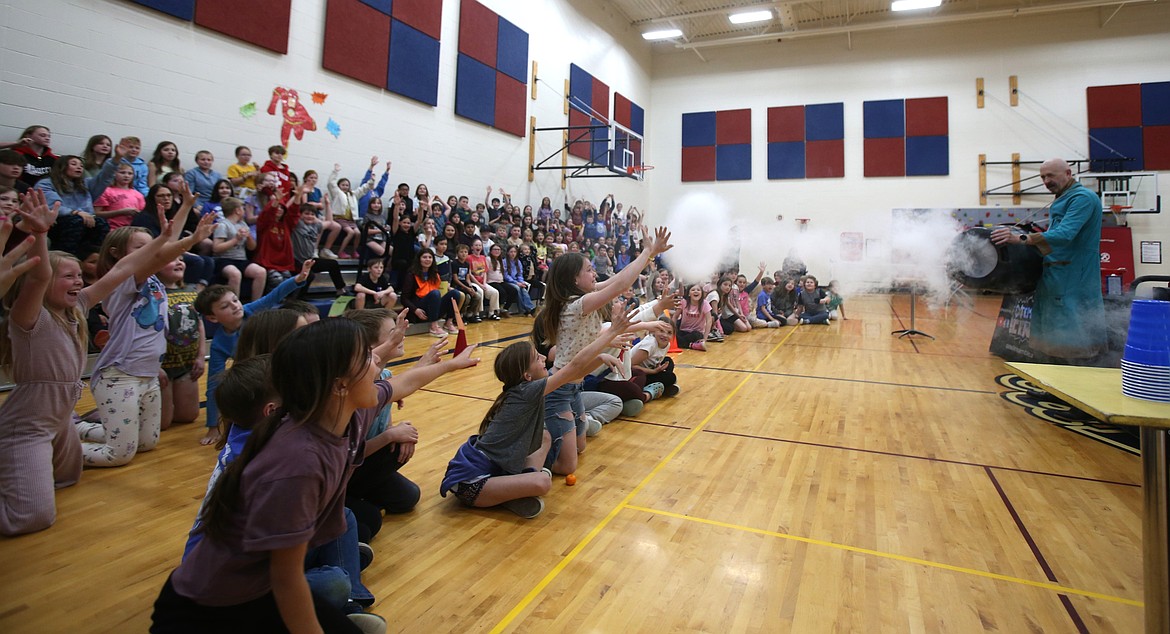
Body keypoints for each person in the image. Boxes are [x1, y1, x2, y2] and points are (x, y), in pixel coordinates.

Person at [152, 319, 479, 633]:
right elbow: (286, 579)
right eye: (366, 357)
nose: (377, 364)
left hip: (257, 587)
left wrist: (451, 365)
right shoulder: (298, 464)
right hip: (211, 608)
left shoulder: (347, 411)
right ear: (338, 385)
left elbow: (401, 384)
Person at [440, 305, 631, 518]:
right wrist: (611, 334)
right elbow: (573, 366)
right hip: (470, 483)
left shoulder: (523, 389)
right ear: (526, 376)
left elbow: (572, 372)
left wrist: (599, 358)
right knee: (542, 481)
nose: (543, 357)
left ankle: (514, 492)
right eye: (536, 358)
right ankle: (514, 493)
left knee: (545, 436)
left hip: (493, 472)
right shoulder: (526, 392)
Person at [77, 200, 214, 467]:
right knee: (119, 454)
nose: (153, 251)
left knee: (147, 443)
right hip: (119, 375)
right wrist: (193, 239)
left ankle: (78, 428)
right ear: (117, 253)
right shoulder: (123, 280)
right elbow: (162, 253)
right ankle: (58, 447)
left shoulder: (153, 280)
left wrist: (185, 206)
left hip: (148, 374)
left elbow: (164, 248)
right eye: (141, 248)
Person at [535, 227, 672, 474]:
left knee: (580, 448)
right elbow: (621, 284)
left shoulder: (586, 296)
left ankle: (548, 433)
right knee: (568, 468)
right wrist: (647, 252)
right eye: (588, 270)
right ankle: (532, 452)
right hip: (559, 390)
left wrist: (648, 256)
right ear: (574, 280)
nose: (594, 272)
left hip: (574, 387)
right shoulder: (578, 304)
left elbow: (616, 279)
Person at [990, 158, 1107, 362]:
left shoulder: (1082, 198)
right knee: (1050, 331)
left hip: (1072, 277)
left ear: (1068, 173)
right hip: (1056, 275)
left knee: (1070, 332)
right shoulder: (1064, 198)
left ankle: (1066, 386)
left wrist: (1021, 238)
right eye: (1043, 177)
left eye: (1051, 175)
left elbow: (1065, 234)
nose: (1046, 181)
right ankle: (1050, 383)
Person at [195, 260, 312, 446]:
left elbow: (275, 295)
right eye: (225, 306)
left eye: (235, 300)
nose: (235, 306)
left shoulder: (251, 310)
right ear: (211, 318)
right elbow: (213, 385)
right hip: (256, 375)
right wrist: (212, 426)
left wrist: (298, 279)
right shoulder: (218, 344)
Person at [399, 248, 460, 337]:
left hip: (433, 308)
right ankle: (434, 326)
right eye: (424, 257)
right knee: (435, 293)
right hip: (419, 310)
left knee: (455, 293)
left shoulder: (435, 274)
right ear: (419, 259)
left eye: (430, 257)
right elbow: (403, 298)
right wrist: (415, 310)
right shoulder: (411, 275)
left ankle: (449, 323)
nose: (427, 259)